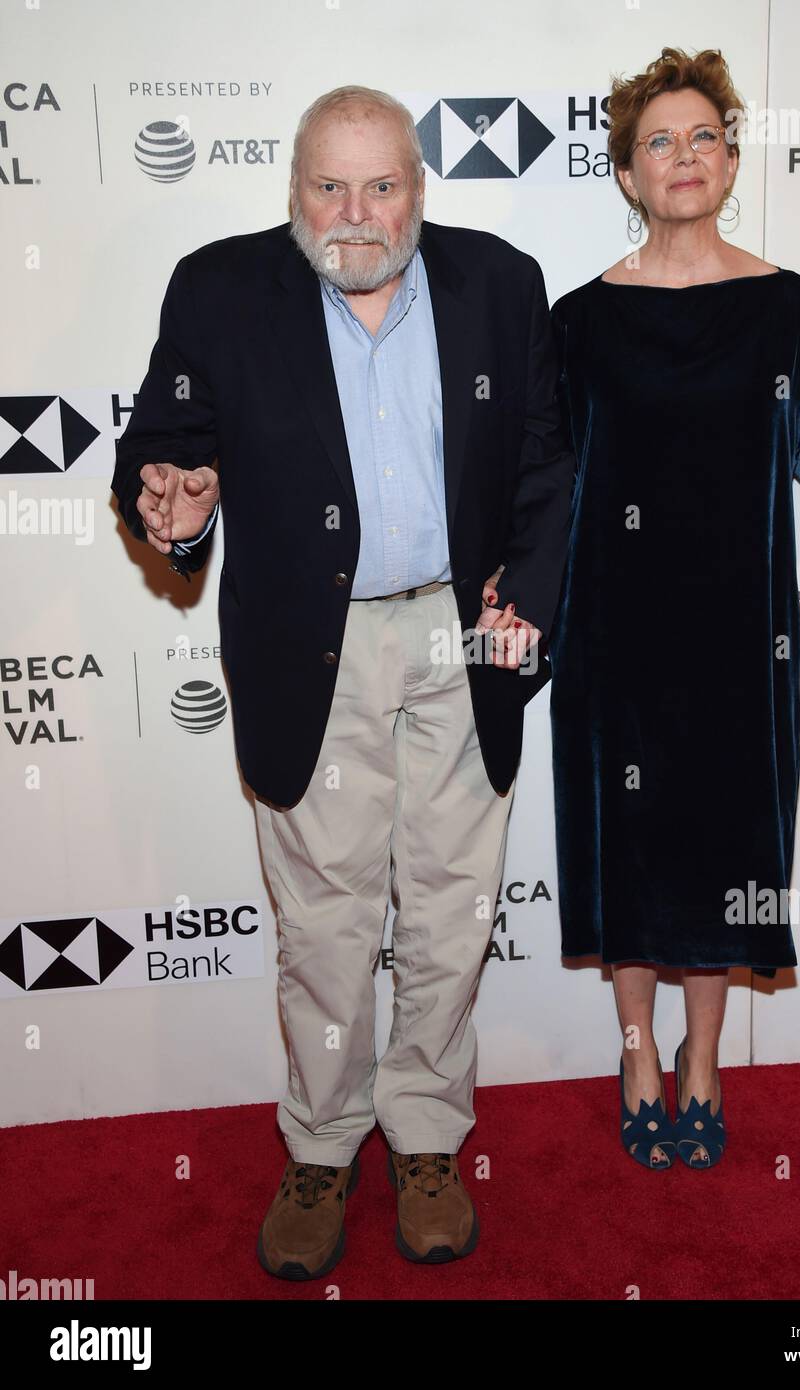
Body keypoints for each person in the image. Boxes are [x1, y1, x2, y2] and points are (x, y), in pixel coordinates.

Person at [111, 85, 573, 1275]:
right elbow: (163, 443)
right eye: (330, 185)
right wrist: (172, 499)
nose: (355, 214)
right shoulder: (219, 289)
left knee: (453, 902)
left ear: (420, 188)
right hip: (313, 645)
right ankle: (321, 1146)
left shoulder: (501, 283)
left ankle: (425, 1137)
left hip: (466, 633)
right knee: (323, 919)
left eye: (381, 186)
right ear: (295, 190)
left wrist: (522, 588)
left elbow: (545, 462)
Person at [485, 47, 800, 1171]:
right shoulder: (579, 320)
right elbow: (541, 477)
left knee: (719, 850)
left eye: (703, 135)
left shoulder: (787, 308)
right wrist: (521, 589)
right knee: (628, 850)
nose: (684, 156)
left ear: (733, 158)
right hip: (612, 634)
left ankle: (704, 1058)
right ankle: (636, 1049)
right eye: (659, 140)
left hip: (736, 637)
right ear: (625, 172)